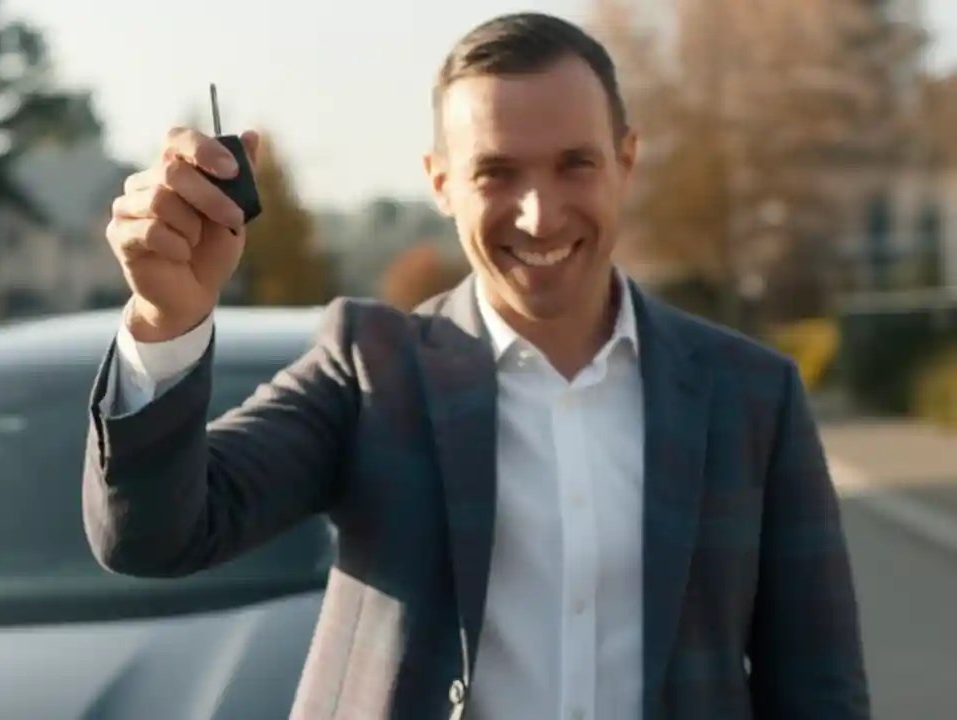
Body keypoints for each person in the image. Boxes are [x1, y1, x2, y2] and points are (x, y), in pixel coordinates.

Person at [82, 12, 870, 720]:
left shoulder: (751, 396)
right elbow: (155, 537)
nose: (539, 213)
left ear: (626, 162)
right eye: (497, 172)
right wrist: (166, 321)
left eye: (575, 165)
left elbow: (819, 690)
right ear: (441, 184)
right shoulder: (371, 370)